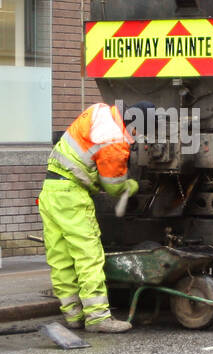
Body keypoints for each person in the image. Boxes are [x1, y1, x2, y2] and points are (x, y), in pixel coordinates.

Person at [38, 101, 143, 333]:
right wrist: (132, 185)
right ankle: (97, 318)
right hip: (72, 196)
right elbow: (114, 187)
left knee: (61, 258)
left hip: (50, 190)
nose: (136, 137)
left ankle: (73, 315)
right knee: (89, 256)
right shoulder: (114, 139)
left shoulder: (99, 111)